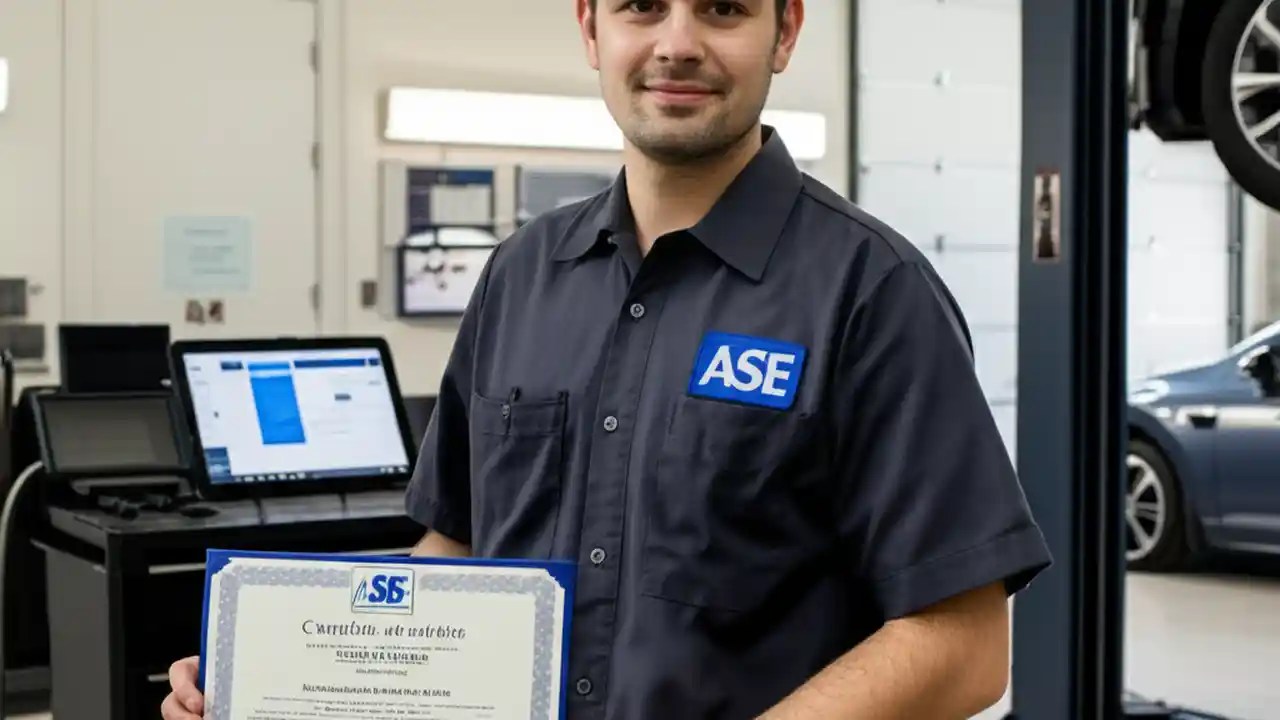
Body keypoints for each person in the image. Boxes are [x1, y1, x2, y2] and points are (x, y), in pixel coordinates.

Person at [163, 0, 1052, 717]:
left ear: (786, 31)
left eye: (722, 11)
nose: (677, 44)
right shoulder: (520, 273)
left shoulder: (872, 290)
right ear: (591, 26)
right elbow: (459, 543)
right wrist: (276, 667)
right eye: (642, 8)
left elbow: (963, 646)